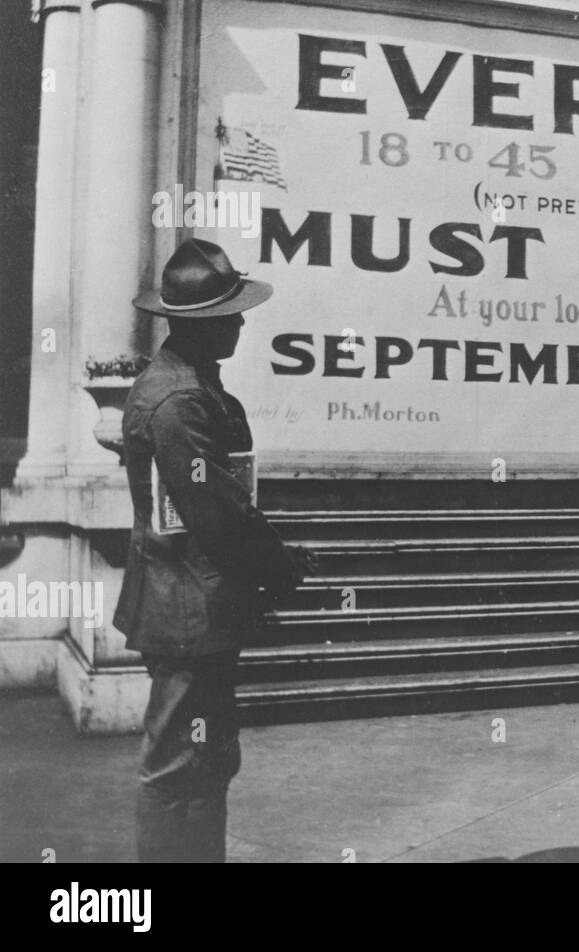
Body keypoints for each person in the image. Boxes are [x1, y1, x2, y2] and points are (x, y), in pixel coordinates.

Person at [113, 239, 316, 863]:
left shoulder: (189, 385)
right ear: (201, 324)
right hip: (186, 611)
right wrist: (280, 569)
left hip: (194, 604)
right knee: (179, 766)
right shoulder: (179, 400)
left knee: (207, 759)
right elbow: (218, 513)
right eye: (229, 314)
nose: (240, 323)